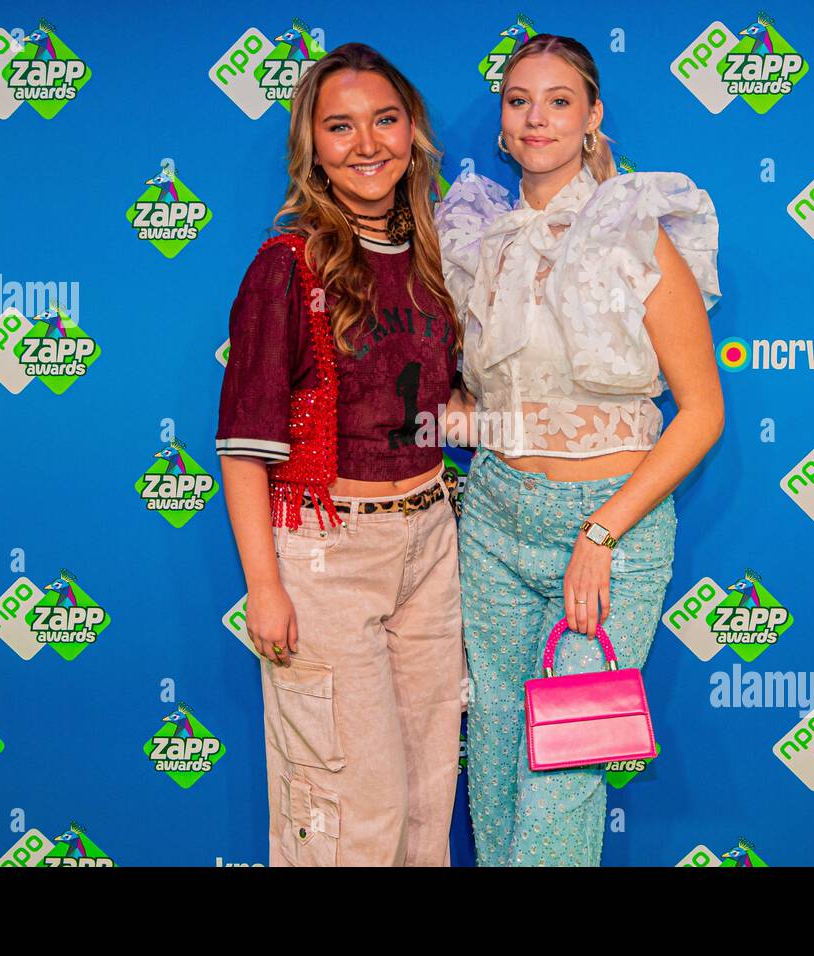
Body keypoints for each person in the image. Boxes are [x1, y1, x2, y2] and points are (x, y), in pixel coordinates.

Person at [434, 34, 725, 866]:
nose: (537, 118)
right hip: (491, 521)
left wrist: (600, 535)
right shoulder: (476, 238)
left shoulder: (639, 236)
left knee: (564, 767)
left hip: (607, 530)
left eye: (560, 100)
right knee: (492, 756)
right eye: (519, 99)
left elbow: (701, 413)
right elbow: (484, 403)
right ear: (500, 120)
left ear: (593, 116)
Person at [216, 42, 466, 866]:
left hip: (431, 542)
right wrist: (264, 587)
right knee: (351, 805)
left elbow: (443, 407)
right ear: (312, 147)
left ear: (413, 132)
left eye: (385, 120)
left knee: (429, 798)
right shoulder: (289, 266)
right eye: (341, 126)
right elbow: (245, 449)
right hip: (329, 551)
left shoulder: (433, 258)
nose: (368, 144)